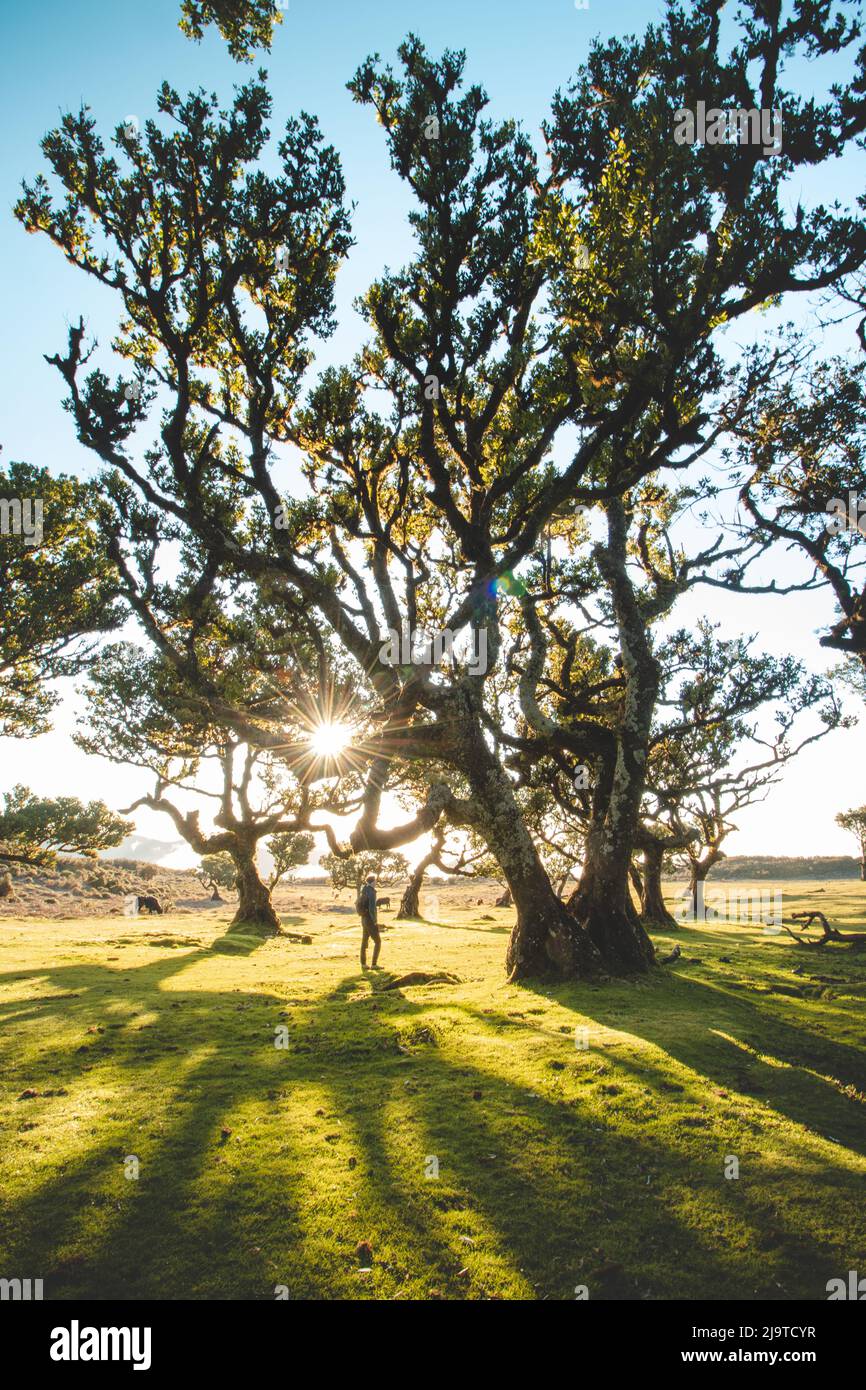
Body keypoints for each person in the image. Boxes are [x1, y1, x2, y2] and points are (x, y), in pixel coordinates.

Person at [357, 873, 381, 969]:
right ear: (372, 882)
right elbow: (372, 908)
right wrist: (375, 920)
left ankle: (363, 964)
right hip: (370, 920)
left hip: (364, 918)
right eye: (375, 881)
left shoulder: (364, 889)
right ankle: (374, 965)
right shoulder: (371, 892)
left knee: (364, 941)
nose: (376, 882)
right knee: (378, 942)